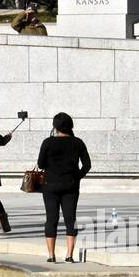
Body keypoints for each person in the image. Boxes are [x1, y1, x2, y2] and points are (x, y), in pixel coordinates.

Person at [36, 112, 91, 262]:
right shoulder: (78, 142)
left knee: (51, 219)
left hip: (50, 186)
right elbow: (87, 165)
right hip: (71, 186)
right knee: (70, 219)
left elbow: (40, 164)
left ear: (55, 127)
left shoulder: (47, 142)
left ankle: (51, 256)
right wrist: (76, 177)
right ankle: (69, 255)